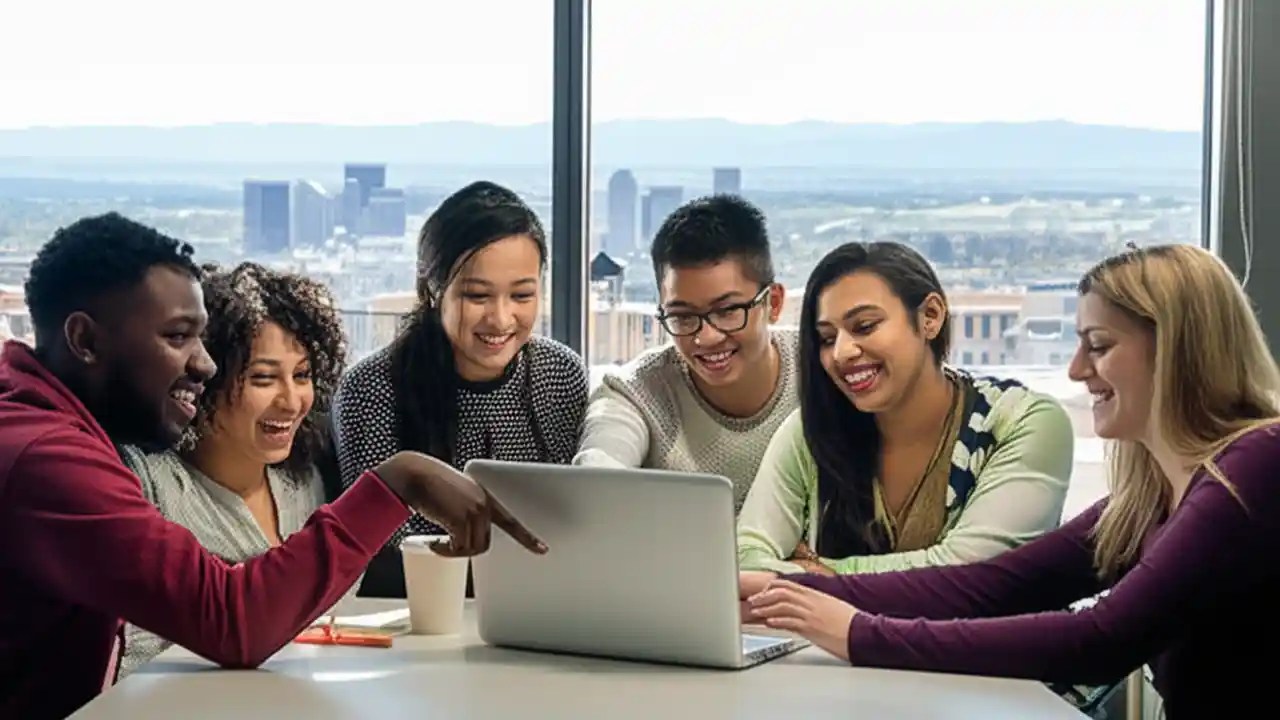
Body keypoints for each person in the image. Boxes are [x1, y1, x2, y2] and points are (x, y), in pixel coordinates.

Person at [0, 213, 545, 720]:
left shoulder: (41, 426)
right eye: (176, 337)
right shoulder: (47, 459)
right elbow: (233, 619)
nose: (205, 363)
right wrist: (399, 480)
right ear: (85, 340)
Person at [741, 244, 1280, 718]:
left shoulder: (1255, 466)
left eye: (1099, 345)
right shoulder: (1153, 496)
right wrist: (790, 590)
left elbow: (1101, 640)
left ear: (1176, 348)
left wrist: (858, 632)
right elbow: (997, 585)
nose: (1075, 369)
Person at [737, 242, 1072, 575]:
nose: (841, 352)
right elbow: (746, 558)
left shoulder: (1019, 423)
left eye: (865, 326)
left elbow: (969, 574)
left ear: (930, 316)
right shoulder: (813, 431)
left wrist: (816, 571)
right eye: (826, 338)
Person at [332, 181, 588, 598]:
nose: (501, 318)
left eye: (522, 295)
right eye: (477, 296)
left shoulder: (560, 374)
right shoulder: (374, 388)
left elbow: (575, 515)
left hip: (549, 606)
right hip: (422, 612)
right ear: (433, 291)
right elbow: (383, 548)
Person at [117, 262, 359, 677]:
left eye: (302, 375)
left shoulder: (304, 481)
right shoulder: (146, 481)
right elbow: (127, 654)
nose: (292, 400)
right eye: (263, 378)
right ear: (202, 377)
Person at [574, 194, 798, 510]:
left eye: (727, 310)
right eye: (682, 316)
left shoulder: (822, 369)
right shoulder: (637, 392)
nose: (706, 337)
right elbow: (599, 466)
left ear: (773, 303)